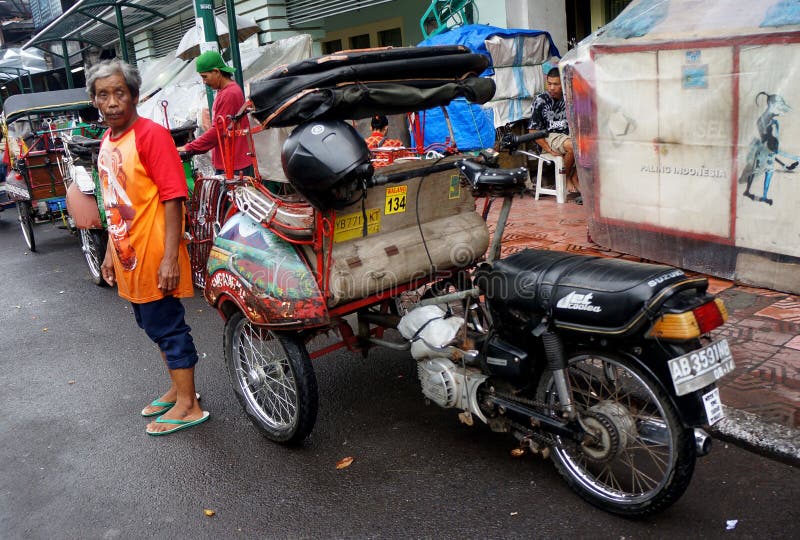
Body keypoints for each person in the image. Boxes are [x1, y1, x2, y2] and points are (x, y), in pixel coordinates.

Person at [88, 58, 208, 436]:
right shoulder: (108, 141)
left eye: (119, 93)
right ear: (94, 100)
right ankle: (177, 389)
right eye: (103, 95)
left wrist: (171, 257)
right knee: (150, 324)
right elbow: (113, 203)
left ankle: (189, 405)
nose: (112, 102)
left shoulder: (150, 135)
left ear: (135, 95)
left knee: (168, 326)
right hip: (127, 255)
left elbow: (174, 197)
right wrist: (109, 251)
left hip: (156, 252)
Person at [178, 50, 253, 177]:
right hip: (231, 160)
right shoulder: (225, 91)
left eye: (204, 76)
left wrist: (189, 147)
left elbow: (218, 131)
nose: (204, 81)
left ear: (217, 72)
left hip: (233, 163)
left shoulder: (229, 94)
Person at [528, 67, 580, 203]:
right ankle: (566, 177)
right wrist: (549, 149)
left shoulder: (571, 97)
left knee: (589, 145)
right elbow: (533, 131)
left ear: (563, 84)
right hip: (549, 137)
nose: (551, 87)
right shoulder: (540, 100)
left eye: (556, 84)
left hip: (568, 135)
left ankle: (574, 176)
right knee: (572, 145)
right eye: (549, 83)